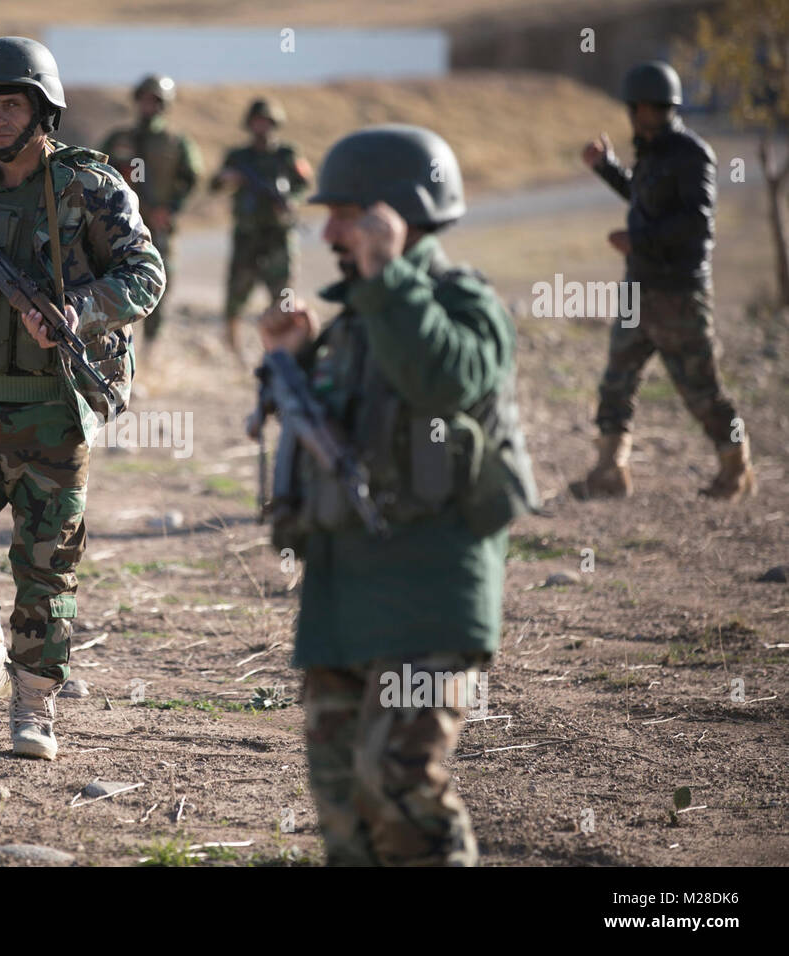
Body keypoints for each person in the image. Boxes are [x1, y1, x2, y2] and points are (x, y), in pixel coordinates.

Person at [255, 125, 540, 865]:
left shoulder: (462, 302)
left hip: (429, 596)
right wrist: (298, 358)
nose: (327, 232)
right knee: (345, 806)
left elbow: (441, 380)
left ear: (396, 217)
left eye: (345, 215)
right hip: (341, 600)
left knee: (400, 788)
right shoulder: (356, 323)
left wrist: (388, 277)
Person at [0, 36, 164, 760]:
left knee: (46, 564)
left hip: (51, 406)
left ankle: (35, 708)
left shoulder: (93, 185)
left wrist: (81, 309)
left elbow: (146, 273)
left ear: (42, 108)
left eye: (12, 103)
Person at [574, 60, 754, 500]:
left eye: (646, 107)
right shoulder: (652, 151)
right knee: (617, 381)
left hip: (679, 295)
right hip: (640, 289)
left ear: (660, 108)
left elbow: (697, 224)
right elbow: (644, 198)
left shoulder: (691, 155)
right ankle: (610, 470)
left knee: (701, 390)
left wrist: (639, 240)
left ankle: (736, 468)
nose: (639, 115)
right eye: (637, 107)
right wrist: (606, 167)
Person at [99, 74, 199, 346]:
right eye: (144, 99)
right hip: (116, 225)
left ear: (164, 104)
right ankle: (114, 342)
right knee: (112, 280)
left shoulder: (176, 142)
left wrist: (171, 209)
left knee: (158, 282)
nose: (148, 105)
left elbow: (190, 179)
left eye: (154, 101)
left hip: (158, 225)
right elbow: (95, 173)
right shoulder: (119, 139)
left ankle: (151, 347)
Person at [211, 98, 311, 360]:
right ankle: (233, 350)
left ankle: (282, 348)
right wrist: (227, 178)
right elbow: (214, 184)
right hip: (247, 235)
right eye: (257, 121)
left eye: (266, 121)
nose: (261, 126)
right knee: (237, 293)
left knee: (283, 294)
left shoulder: (287, 154)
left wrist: (290, 202)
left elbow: (303, 183)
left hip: (279, 235)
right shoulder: (238, 157)